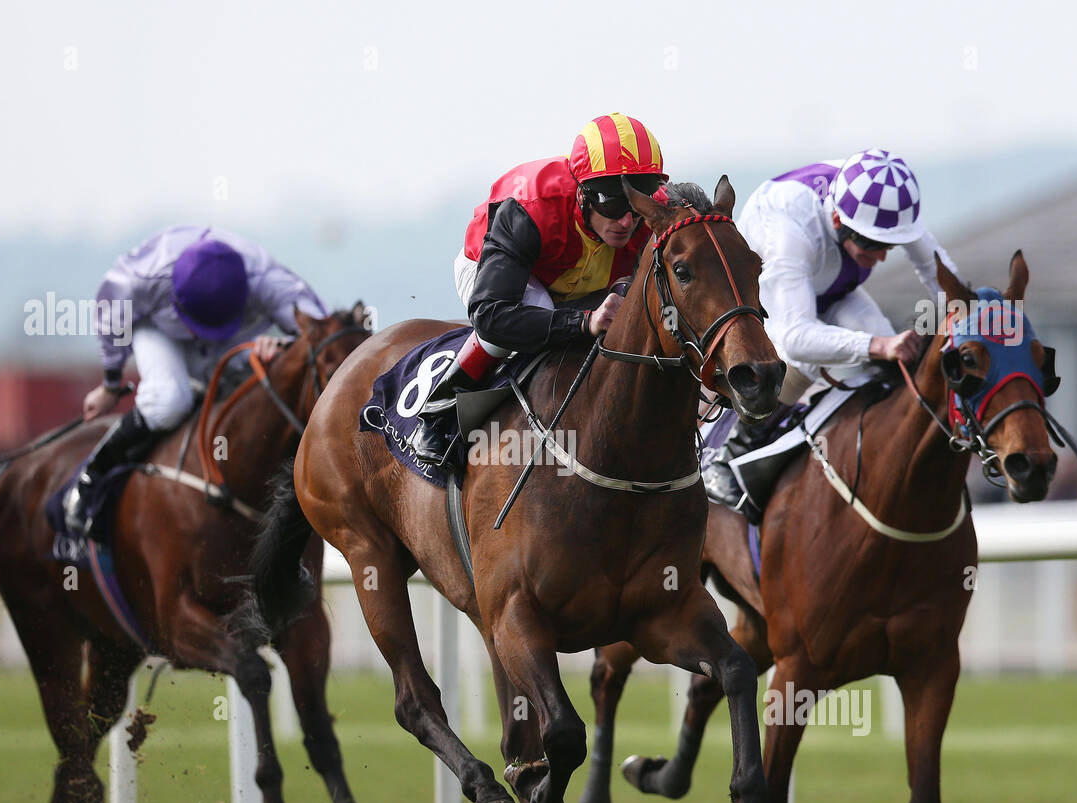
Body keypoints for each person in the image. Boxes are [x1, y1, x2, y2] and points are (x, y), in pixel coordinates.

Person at [702, 148, 961, 507]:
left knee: (892, 365)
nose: (882, 256)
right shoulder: (788, 230)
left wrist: (974, 320)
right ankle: (731, 451)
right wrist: (879, 345)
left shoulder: (884, 202)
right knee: (825, 355)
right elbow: (796, 338)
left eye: (890, 244)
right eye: (871, 245)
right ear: (838, 219)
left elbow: (938, 272)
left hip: (829, 285)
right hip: (770, 307)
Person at [409, 112, 669, 465]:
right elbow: (492, 315)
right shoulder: (530, 205)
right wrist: (582, 323)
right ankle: (439, 413)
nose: (626, 221)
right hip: (501, 276)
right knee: (536, 321)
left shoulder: (653, 209)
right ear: (583, 194)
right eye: (612, 204)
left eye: (636, 204)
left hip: (581, 276)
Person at [64, 225, 329, 537]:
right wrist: (110, 384)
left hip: (231, 334)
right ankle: (91, 477)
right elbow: (111, 313)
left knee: (263, 385)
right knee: (169, 401)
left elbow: (320, 334)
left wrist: (285, 347)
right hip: (158, 328)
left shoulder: (269, 281)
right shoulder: (140, 279)